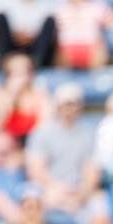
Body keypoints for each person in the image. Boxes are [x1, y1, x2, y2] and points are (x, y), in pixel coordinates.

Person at [25, 82, 95, 217]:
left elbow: (91, 172)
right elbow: (36, 171)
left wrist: (81, 194)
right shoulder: (42, 132)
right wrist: (58, 189)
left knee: (99, 208)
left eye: (73, 104)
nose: (69, 108)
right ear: (57, 105)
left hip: (77, 190)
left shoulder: (88, 134)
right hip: (48, 189)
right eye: (66, 104)